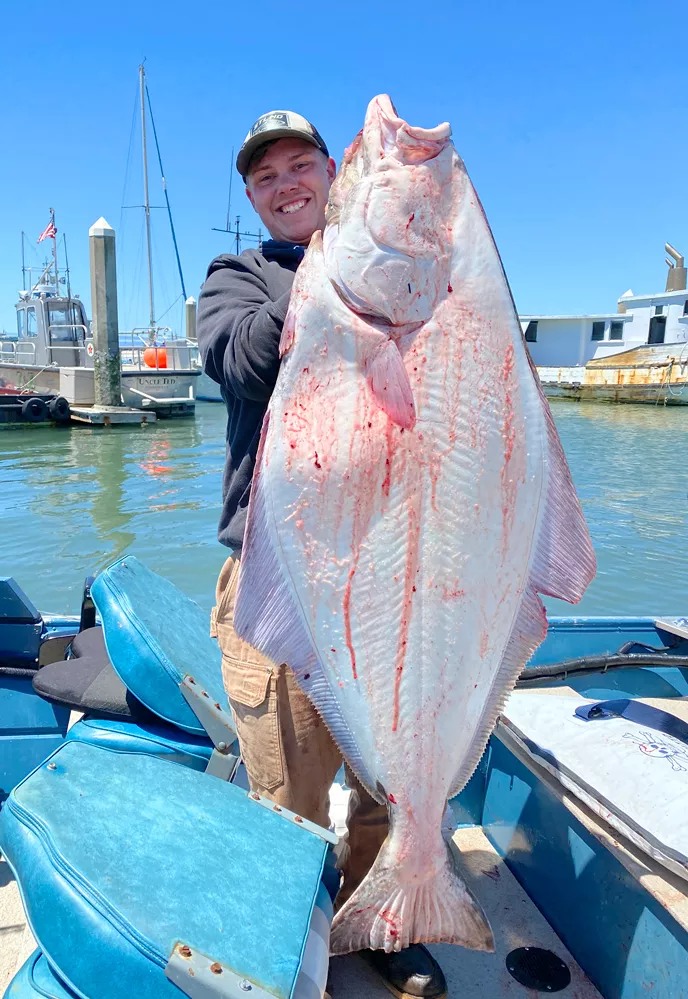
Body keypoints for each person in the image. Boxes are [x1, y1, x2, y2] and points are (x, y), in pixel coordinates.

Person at [197, 110, 447, 999]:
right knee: (287, 784)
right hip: (278, 577)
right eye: (266, 177)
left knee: (383, 771)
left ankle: (386, 918)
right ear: (252, 198)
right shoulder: (238, 276)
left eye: (302, 164)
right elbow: (240, 356)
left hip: (389, 569)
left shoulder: (406, 268)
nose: (286, 183)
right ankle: (291, 940)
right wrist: (334, 279)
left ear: (335, 176)